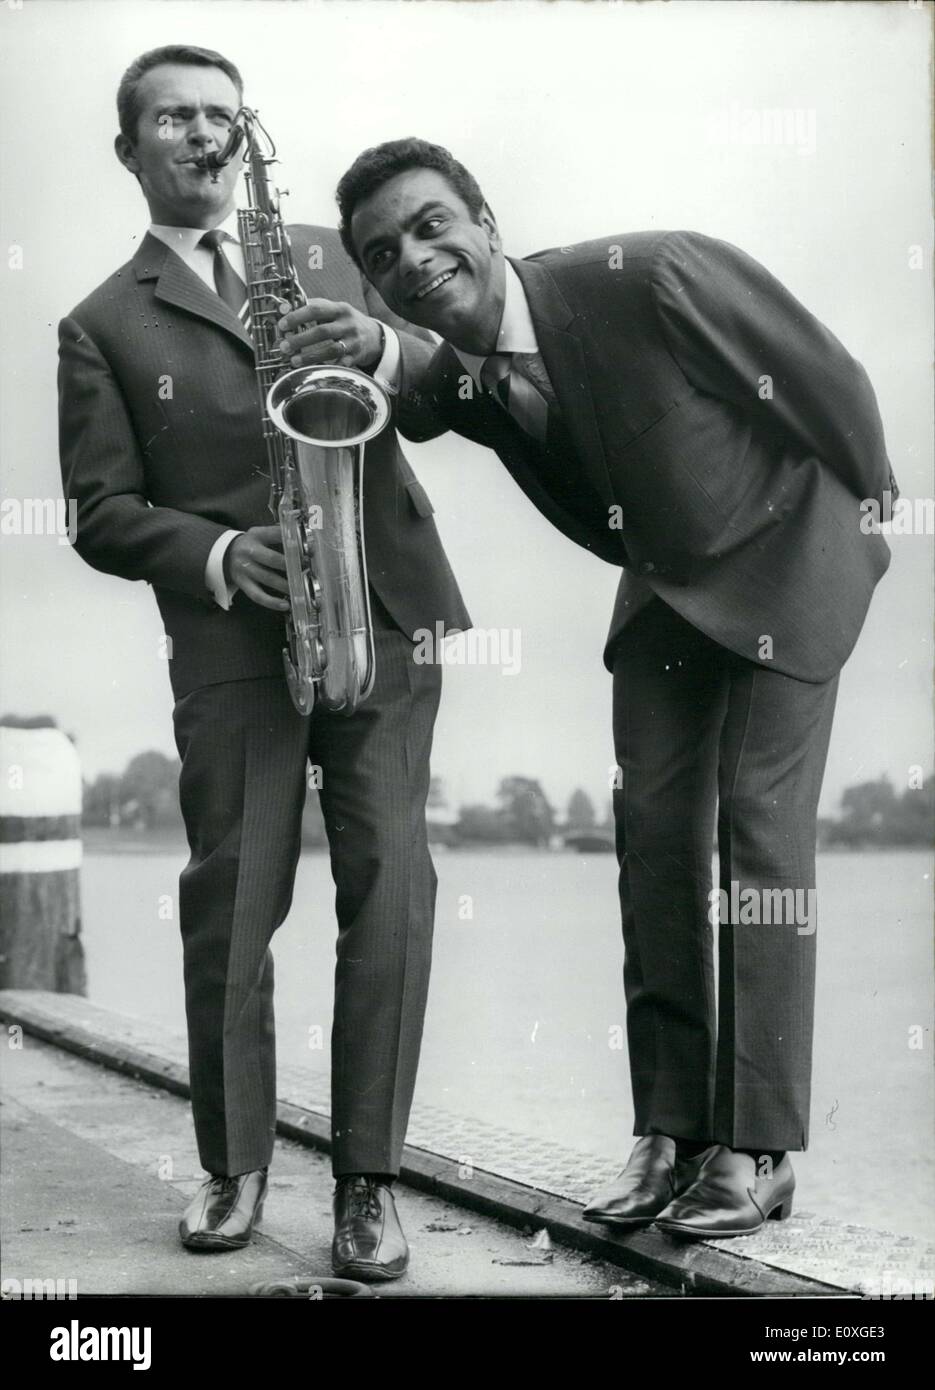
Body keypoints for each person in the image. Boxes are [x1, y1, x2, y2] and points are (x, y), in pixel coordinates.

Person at [279, 136, 896, 1239]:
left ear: (485, 223)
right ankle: (668, 1133)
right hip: (667, 586)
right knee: (651, 834)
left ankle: (755, 1151)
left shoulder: (651, 275)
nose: (414, 257)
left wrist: (863, 520)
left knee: (756, 834)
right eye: (382, 254)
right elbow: (432, 392)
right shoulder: (463, 362)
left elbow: (828, 379)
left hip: (788, 558)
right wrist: (375, 344)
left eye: (431, 225)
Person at [58, 60, 469, 1282]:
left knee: (390, 885)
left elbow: (453, 380)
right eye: (174, 113)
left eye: (219, 110)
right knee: (232, 897)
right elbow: (97, 512)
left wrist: (388, 344)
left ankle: (366, 1186)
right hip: (236, 631)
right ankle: (233, 1167)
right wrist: (220, 550)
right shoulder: (98, 321)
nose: (204, 129)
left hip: (381, 609)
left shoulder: (342, 255)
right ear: (129, 147)